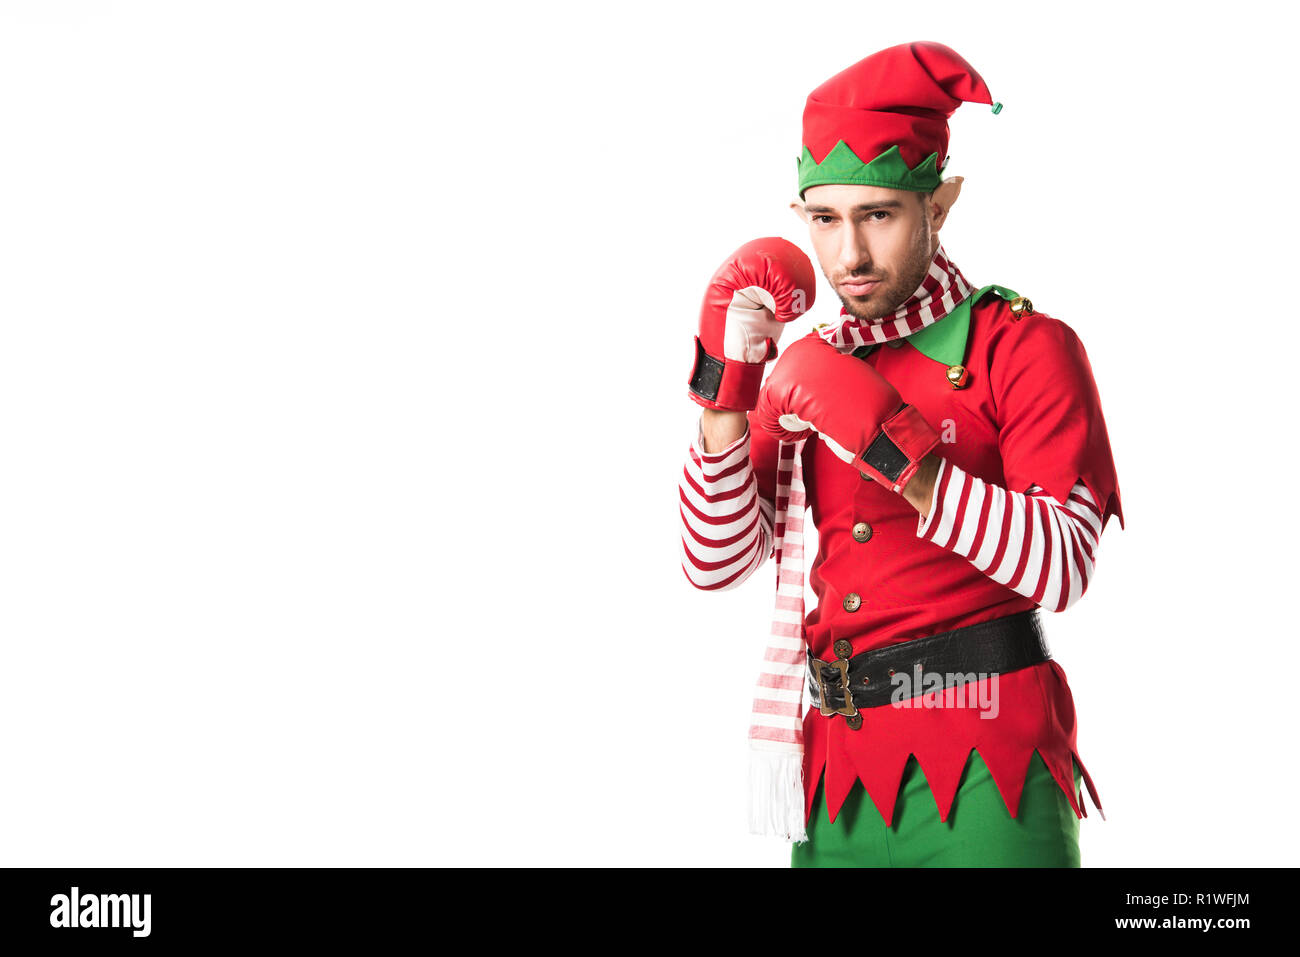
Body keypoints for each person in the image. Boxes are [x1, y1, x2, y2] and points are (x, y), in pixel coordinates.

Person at [679, 41, 1124, 867]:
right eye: (824, 219)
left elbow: (1062, 569)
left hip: (990, 758)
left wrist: (900, 456)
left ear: (940, 204)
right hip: (837, 776)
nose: (847, 256)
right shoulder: (812, 365)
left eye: (877, 215)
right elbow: (712, 560)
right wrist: (726, 390)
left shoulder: (1020, 347)